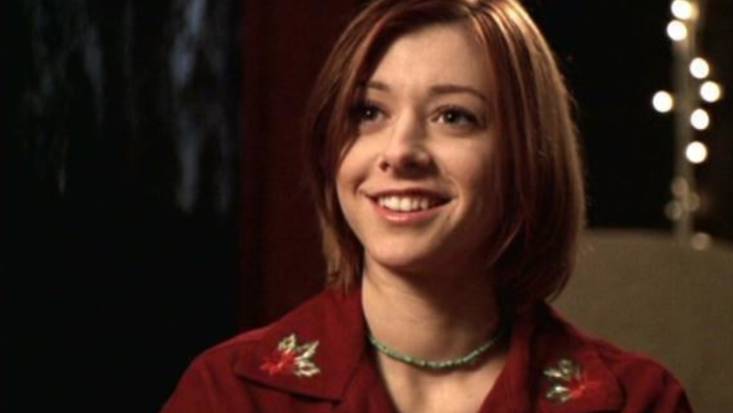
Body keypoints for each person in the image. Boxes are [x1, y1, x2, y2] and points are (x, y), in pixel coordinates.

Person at [162, 0, 693, 411]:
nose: (399, 152)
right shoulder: (230, 393)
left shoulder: (639, 401)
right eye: (369, 112)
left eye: (453, 116)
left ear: (527, 157)